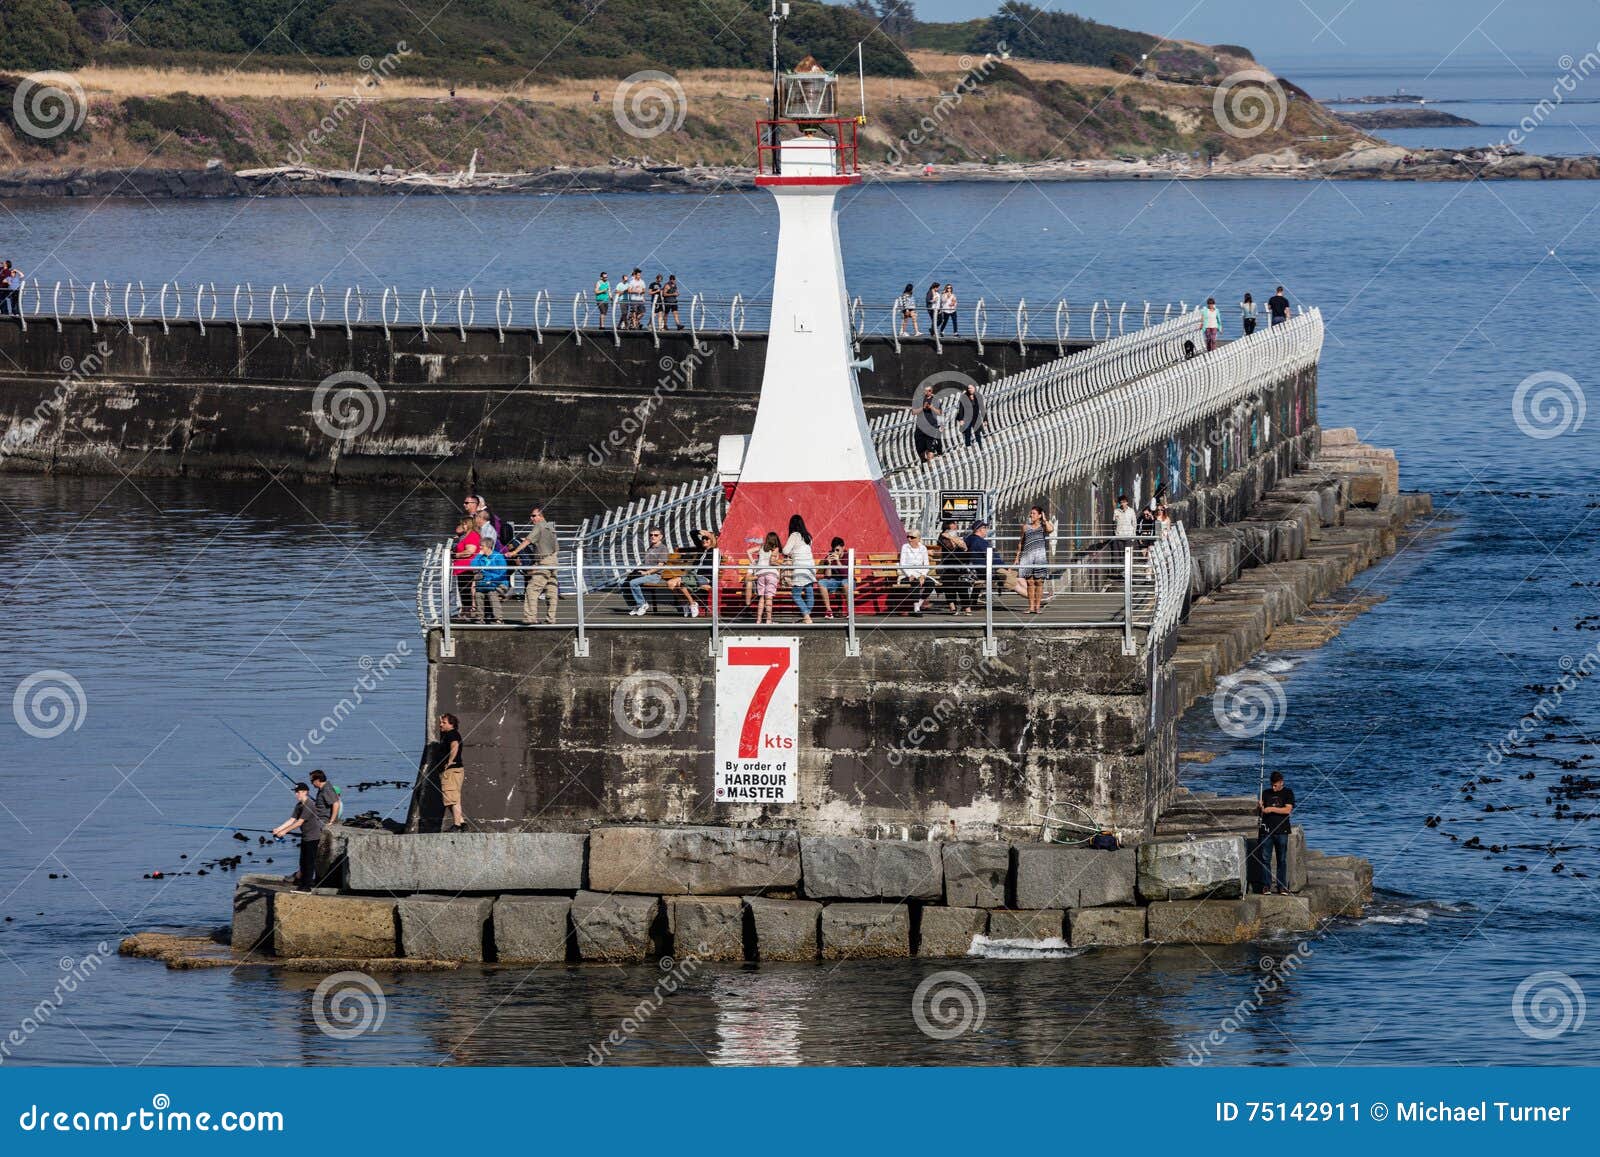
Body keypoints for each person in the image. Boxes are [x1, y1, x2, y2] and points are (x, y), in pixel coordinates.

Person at [504, 504, 560, 625]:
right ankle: (551, 619)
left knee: (532, 589)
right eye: (531, 516)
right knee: (551, 591)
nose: (532, 518)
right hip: (554, 562)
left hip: (544, 562)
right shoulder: (551, 528)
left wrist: (514, 552)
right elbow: (556, 548)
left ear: (541, 515)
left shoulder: (539, 526)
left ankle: (530, 618)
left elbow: (527, 541)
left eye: (534, 516)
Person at [272, 782, 326, 891]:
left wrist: (285, 832)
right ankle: (303, 884)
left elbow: (299, 823)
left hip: (313, 837)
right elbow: (292, 820)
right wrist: (279, 829)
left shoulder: (309, 804)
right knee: (302, 861)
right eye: (296, 792)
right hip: (305, 837)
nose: (297, 794)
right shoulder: (299, 805)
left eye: (299, 792)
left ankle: (307, 887)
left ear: (305, 792)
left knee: (309, 862)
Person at [1258, 771, 1296, 894]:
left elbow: (1287, 810)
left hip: (1282, 830)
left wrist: (1271, 809)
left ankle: (1282, 886)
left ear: (1281, 782)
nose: (1273, 788)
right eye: (1272, 785)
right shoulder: (1265, 792)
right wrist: (1261, 808)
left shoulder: (1288, 792)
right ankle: (1266, 886)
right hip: (1266, 830)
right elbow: (1262, 812)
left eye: (1276, 785)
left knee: (1282, 859)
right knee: (1265, 859)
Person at [666, 529, 715, 617]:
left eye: (707, 539)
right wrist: (700, 531)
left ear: (712, 540)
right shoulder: (701, 548)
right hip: (692, 576)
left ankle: (692, 604)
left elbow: (714, 571)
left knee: (681, 583)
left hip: (704, 578)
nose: (704, 540)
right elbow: (692, 533)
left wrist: (709, 535)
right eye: (703, 538)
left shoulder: (715, 552)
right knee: (670, 583)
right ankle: (685, 604)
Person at [1016, 505, 1053, 614]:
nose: (1031, 515)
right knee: (1030, 582)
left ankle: (1037, 607)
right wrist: (1017, 557)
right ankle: (1031, 607)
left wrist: (1045, 520)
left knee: (1039, 581)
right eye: (1031, 513)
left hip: (1039, 557)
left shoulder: (1043, 527)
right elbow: (1021, 542)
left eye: (1034, 513)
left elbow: (1051, 529)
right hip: (1027, 556)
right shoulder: (1025, 527)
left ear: (1039, 515)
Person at [627, 526, 671, 615]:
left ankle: (642, 604)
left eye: (656, 535)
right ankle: (636, 605)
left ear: (661, 537)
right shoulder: (650, 548)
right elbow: (646, 564)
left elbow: (660, 566)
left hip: (656, 576)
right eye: (651, 535)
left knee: (633, 583)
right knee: (621, 582)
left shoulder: (663, 549)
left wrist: (647, 572)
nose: (653, 537)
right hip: (646, 574)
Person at [784, 515, 817, 625]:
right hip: (810, 567)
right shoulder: (808, 536)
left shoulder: (794, 535)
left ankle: (806, 616)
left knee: (796, 594)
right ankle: (807, 616)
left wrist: (791, 552)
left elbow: (785, 551)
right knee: (809, 592)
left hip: (800, 567)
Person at [469, 536, 511, 622]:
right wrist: (478, 555)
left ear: (488, 547)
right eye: (480, 545)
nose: (480, 547)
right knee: (478, 594)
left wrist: (491, 579)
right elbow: (472, 566)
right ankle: (480, 617)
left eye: (482, 546)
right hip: (485, 583)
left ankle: (498, 618)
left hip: (499, 583)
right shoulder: (481, 557)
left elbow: (503, 572)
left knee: (492, 593)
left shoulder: (498, 556)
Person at [437, 713, 467, 832]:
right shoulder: (449, 733)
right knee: (454, 798)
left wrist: (450, 761)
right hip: (455, 770)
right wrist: (441, 720)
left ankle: (457, 825)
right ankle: (461, 822)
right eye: (441, 722)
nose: (441, 724)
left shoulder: (451, 734)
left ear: (452, 724)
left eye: (444, 723)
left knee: (451, 799)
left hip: (451, 770)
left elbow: (455, 746)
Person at [450, 517, 481, 619]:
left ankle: (466, 613)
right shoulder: (467, 535)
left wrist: (456, 555)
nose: (462, 526)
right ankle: (465, 611)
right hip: (462, 568)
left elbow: (470, 551)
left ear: (469, 524)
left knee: (465, 590)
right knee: (463, 590)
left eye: (464, 524)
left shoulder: (472, 535)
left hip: (466, 567)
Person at [749, 530, 782, 625]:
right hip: (771, 574)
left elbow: (749, 551)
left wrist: (754, 563)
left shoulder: (761, 547)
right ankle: (768, 620)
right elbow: (772, 562)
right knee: (769, 598)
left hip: (760, 575)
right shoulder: (775, 549)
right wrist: (781, 566)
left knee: (762, 598)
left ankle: (758, 620)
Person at [962, 520, 994, 617]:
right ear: (980, 529)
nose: (986, 531)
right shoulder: (980, 542)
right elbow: (991, 558)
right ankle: (1034, 601)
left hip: (974, 570)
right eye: (985, 528)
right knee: (1014, 582)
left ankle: (973, 601)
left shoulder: (969, 539)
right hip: (980, 571)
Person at [897, 528, 932, 615]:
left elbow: (926, 564)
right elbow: (902, 563)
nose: (909, 539)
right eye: (908, 536)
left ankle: (919, 604)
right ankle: (916, 609)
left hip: (920, 573)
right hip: (906, 574)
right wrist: (910, 574)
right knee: (915, 582)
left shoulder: (923, 548)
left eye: (912, 537)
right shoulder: (905, 547)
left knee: (931, 584)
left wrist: (923, 575)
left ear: (918, 538)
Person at [937, 519, 968, 612]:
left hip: (959, 564)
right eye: (953, 523)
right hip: (949, 564)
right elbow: (952, 547)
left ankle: (966, 607)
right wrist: (955, 540)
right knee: (949, 583)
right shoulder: (942, 537)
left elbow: (964, 547)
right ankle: (953, 607)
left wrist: (952, 537)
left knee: (962, 583)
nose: (956, 525)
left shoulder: (952, 536)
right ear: (948, 525)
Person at [816, 536, 847, 619]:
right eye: (834, 550)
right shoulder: (830, 555)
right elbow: (827, 576)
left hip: (847, 580)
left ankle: (849, 611)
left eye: (837, 550)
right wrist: (828, 564)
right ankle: (829, 611)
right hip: (835, 581)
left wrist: (837, 561)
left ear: (843, 547)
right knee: (821, 583)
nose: (835, 552)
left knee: (845, 583)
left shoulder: (848, 556)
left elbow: (846, 574)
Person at [912, 386, 941, 461]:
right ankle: (923, 461)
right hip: (920, 428)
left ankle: (930, 468)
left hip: (932, 427)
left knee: (930, 451)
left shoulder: (936, 400)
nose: (928, 392)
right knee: (920, 451)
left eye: (930, 391)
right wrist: (923, 408)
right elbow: (914, 412)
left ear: (932, 391)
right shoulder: (918, 400)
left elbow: (939, 413)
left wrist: (932, 407)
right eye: (927, 391)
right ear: (924, 391)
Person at [960, 381, 985, 448]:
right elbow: (961, 408)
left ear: (974, 388)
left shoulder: (978, 396)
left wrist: (985, 419)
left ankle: (980, 447)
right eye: (968, 388)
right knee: (967, 434)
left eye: (971, 388)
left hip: (976, 417)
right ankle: (968, 448)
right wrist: (961, 419)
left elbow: (982, 408)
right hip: (967, 418)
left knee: (977, 433)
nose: (969, 389)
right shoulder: (964, 397)